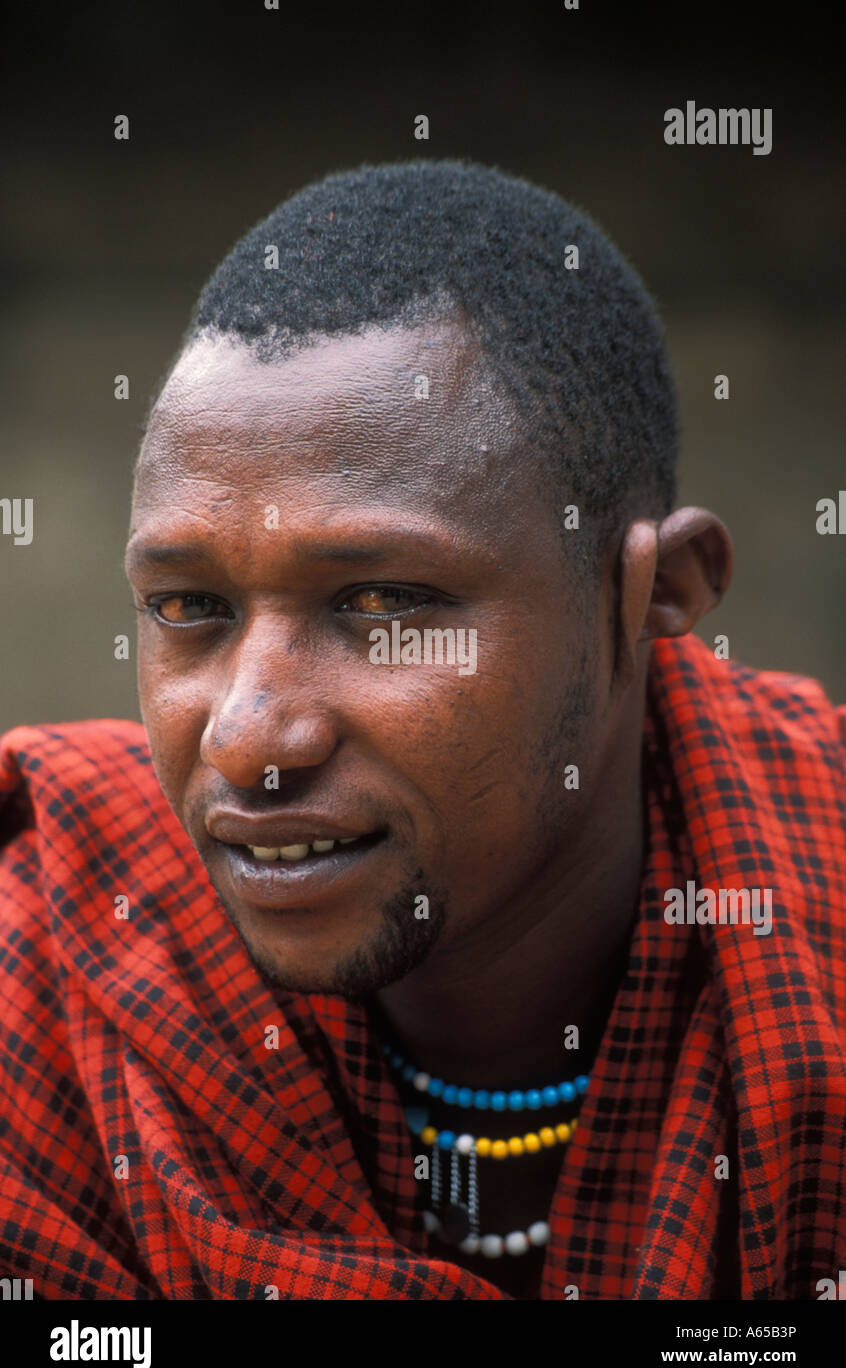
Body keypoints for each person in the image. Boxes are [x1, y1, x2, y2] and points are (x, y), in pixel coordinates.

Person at [0, 160, 843, 1301]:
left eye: (386, 605)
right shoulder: (50, 979)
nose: (251, 739)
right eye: (189, 609)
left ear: (652, 593)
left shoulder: (817, 914)